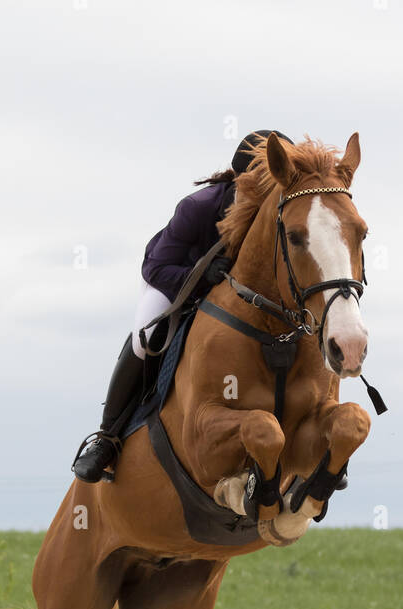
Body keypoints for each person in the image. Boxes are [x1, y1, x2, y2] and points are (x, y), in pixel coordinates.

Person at [72, 129, 291, 483]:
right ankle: (106, 439)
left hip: (234, 296)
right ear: (243, 179)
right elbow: (156, 267)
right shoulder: (199, 207)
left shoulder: (277, 214)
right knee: (146, 338)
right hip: (173, 282)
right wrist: (204, 277)